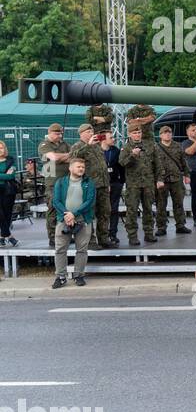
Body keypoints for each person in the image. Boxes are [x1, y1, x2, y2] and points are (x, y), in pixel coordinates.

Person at [50, 156, 96, 288]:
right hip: (64, 219)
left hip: (83, 219)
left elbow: (89, 201)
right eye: (78, 166)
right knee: (60, 249)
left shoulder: (89, 182)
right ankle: (60, 276)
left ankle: (79, 275)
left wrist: (74, 214)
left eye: (83, 167)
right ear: (70, 168)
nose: (81, 169)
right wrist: (67, 214)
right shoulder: (61, 182)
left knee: (81, 249)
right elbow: (56, 201)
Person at [69, 123, 113, 248]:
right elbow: (72, 158)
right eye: (88, 132)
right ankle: (90, 241)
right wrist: (88, 146)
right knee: (89, 214)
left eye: (91, 131)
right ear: (81, 133)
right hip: (89, 185)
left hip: (102, 184)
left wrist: (107, 183)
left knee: (105, 212)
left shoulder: (97, 146)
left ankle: (103, 238)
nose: (91, 133)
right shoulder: (78, 146)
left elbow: (103, 166)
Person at [120, 124, 164, 246]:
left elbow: (158, 163)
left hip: (148, 183)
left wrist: (159, 179)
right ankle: (132, 236)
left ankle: (149, 233)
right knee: (132, 210)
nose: (137, 135)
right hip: (133, 185)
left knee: (148, 209)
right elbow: (122, 163)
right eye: (134, 133)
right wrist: (133, 155)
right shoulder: (126, 147)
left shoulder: (150, 145)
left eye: (139, 132)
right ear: (129, 134)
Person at [38, 123, 74, 247]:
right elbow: (53, 157)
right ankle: (53, 236)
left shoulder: (64, 144)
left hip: (66, 181)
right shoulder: (44, 145)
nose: (59, 136)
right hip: (52, 182)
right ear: (49, 133)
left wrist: (62, 157)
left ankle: (66, 233)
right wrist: (65, 157)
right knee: (53, 209)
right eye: (56, 133)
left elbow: (73, 158)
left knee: (67, 209)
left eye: (60, 133)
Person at [155, 125, 193, 235]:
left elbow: (183, 161)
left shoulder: (178, 146)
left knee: (179, 203)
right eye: (165, 132)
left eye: (169, 132)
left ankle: (180, 225)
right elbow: (153, 165)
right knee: (161, 204)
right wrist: (157, 180)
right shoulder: (156, 148)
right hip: (162, 179)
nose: (168, 134)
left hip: (176, 178)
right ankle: (161, 227)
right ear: (160, 135)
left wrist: (187, 175)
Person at [102, 131, 125, 247]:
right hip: (101, 185)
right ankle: (102, 234)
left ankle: (113, 233)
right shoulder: (97, 151)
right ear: (103, 139)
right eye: (111, 137)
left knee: (114, 209)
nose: (113, 139)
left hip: (115, 183)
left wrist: (121, 181)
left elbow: (121, 167)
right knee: (102, 211)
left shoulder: (116, 151)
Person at [0, 140, 17, 246]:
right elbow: (6, 175)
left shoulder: (10, 160)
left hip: (8, 191)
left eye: (1, 148)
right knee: (0, 214)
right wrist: (4, 175)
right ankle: (9, 236)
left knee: (7, 214)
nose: (0, 150)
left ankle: (2, 237)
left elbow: (11, 176)